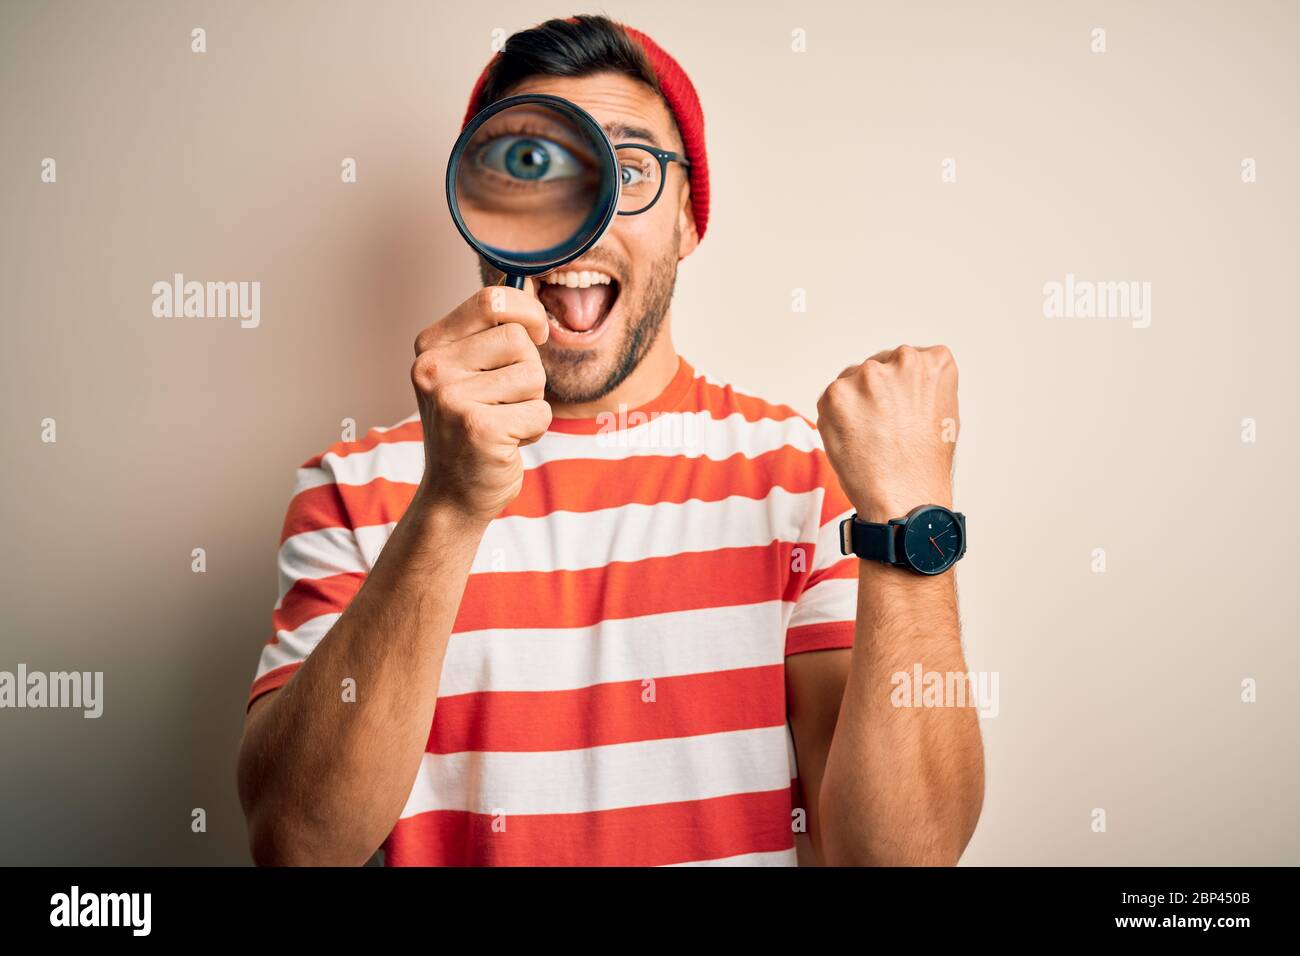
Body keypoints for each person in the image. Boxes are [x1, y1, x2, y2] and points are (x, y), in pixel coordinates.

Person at [236, 14, 983, 866]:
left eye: (627, 170)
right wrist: (446, 509)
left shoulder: (805, 479)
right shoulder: (355, 488)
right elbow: (296, 845)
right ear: (476, 211)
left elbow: (902, 859)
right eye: (530, 166)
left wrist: (915, 518)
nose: (583, 223)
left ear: (689, 222)